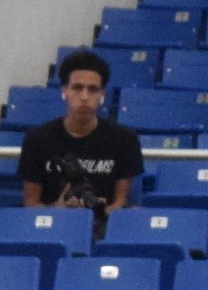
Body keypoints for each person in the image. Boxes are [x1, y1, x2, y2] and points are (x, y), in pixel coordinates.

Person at [17, 47, 143, 224]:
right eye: (77, 88)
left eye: (92, 89)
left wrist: (98, 213)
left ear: (102, 94)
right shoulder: (37, 139)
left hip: (103, 229)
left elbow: (120, 203)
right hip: (52, 226)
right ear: (64, 91)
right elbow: (30, 204)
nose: (84, 97)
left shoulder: (124, 139)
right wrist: (57, 209)